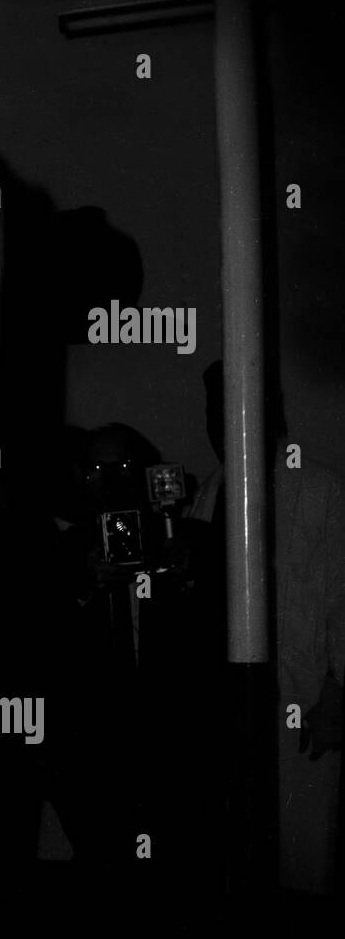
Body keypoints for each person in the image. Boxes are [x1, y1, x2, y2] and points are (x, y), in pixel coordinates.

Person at [189, 361, 344, 895]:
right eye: (215, 410)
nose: (223, 421)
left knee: (300, 858)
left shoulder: (321, 490)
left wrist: (338, 695)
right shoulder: (206, 496)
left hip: (302, 708)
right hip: (227, 710)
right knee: (240, 860)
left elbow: (342, 599)